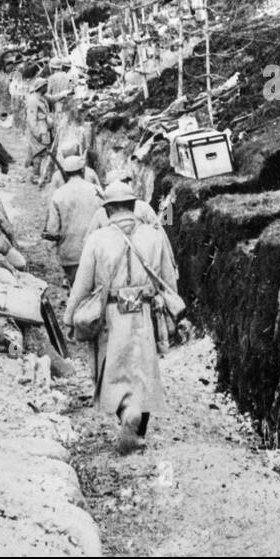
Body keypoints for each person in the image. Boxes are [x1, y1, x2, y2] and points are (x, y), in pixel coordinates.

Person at [65, 181, 176, 455]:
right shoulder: (154, 235)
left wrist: (70, 317)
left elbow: (82, 285)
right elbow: (167, 279)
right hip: (145, 311)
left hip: (112, 313)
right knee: (144, 368)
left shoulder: (97, 239)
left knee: (112, 369)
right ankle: (138, 424)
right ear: (132, 205)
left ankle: (126, 411)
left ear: (108, 208)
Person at [42, 155, 104, 289]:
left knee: (77, 291)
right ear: (83, 171)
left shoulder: (58, 194)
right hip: (97, 251)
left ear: (65, 173)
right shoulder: (96, 191)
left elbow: (53, 230)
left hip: (70, 253)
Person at [23, 79, 53, 187]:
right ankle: (35, 176)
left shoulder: (42, 98)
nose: (47, 88)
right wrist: (37, 133)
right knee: (38, 153)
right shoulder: (33, 100)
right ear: (41, 87)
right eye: (45, 86)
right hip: (39, 130)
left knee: (42, 151)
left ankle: (38, 174)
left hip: (43, 128)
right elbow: (31, 120)